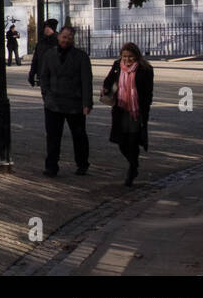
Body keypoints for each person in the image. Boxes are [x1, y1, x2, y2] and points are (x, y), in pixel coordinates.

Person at [38, 25, 93, 176]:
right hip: (53, 103)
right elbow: (44, 76)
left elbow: (86, 81)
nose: (66, 40)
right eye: (64, 37)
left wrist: (87, 103)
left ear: (73, 39)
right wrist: (46, 95)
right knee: (53, 137)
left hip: (74, 103)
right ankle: (51, 167)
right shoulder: (49, 54)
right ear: (58, 36)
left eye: (69, 37)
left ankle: (82, 164)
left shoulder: (81, 56)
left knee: (79, 136)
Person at [102, 42, 154, 186]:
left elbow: (148, 93)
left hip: (136, 111)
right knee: (121, 143)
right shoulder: (117, 66)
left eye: (130, 57)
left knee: (132, 141)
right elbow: (108, 81)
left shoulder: (146, 69)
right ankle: (134, 163)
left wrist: (145, 112)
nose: (127, 59)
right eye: (124, 56)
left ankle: (132, 169)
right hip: (121, 109)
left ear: (136, 56)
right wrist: (106, 88)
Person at [28, 18, 59, 88]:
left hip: (56, 77)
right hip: (43, 76)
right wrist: (31, 74)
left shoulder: (59, 41)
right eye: (45, 27)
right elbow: (35, 60)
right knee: (47, 96)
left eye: (47, 27)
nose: (45, 29)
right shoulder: (41, 42)